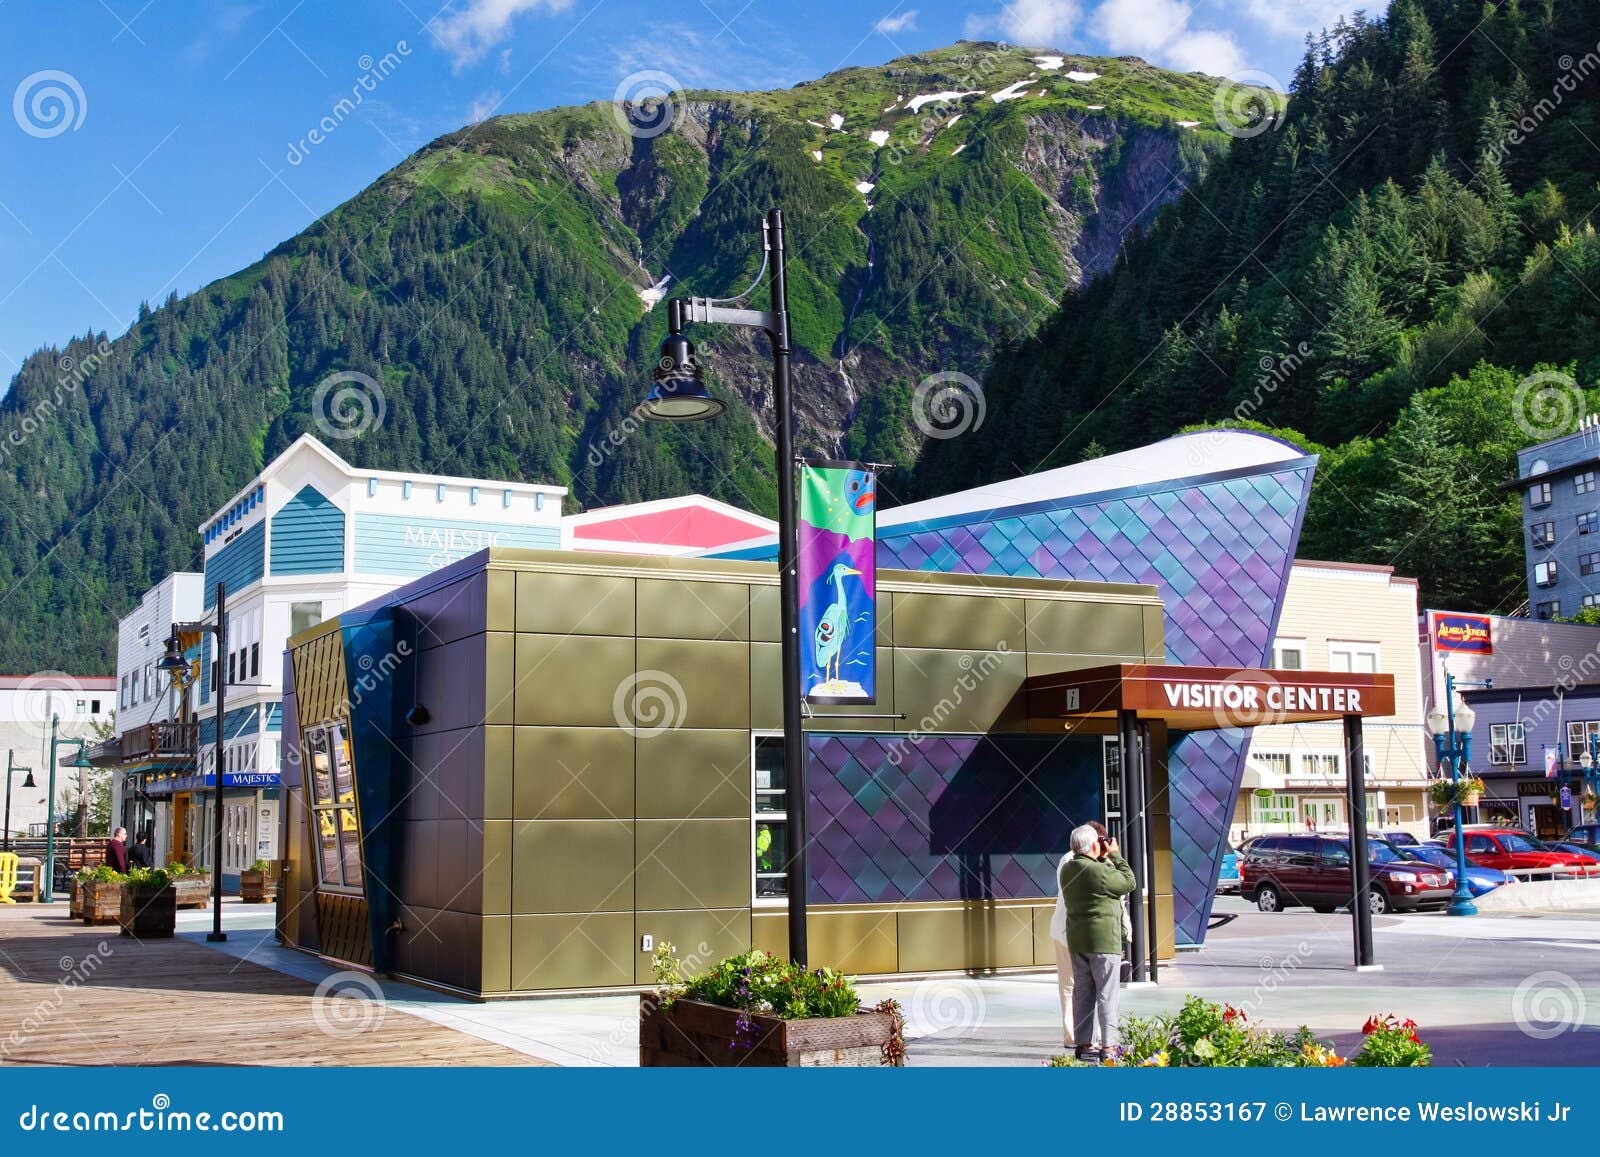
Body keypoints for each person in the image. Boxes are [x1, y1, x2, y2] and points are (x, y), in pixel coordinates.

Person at [1060, 823, 1136, 1062]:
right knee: (1107, 993)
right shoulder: (1099, 871)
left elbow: (1099, 877)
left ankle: (1083, 1044)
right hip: (1103, 940)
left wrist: (1101, 857)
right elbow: (1128, 882)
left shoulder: (1068, 869)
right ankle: (1109, 1047)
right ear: (1094, 844)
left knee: (1082, 992)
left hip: (1078, 940)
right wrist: (1114, 855)